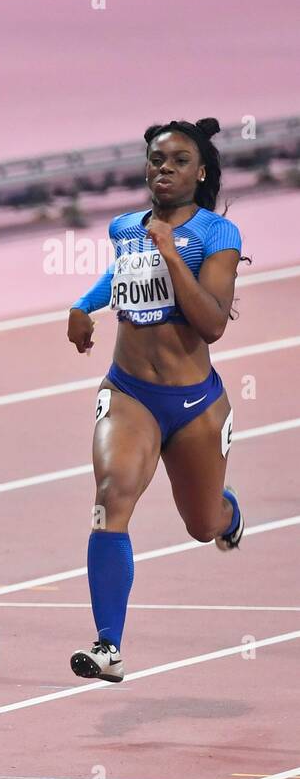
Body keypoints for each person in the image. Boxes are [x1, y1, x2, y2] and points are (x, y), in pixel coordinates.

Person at [66, 118, 245, 683]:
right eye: (156, 159)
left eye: (177, 160)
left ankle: (227, 511)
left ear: (202, 172)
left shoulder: (217, 236)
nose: (163, 168)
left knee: (201, 523)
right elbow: (120, 274)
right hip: (129, 393)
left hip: (194, 405)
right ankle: (108, 646)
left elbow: (213, 324)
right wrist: (83, 306)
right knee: (111, 494)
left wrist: (170, 254)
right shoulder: (126, 227)